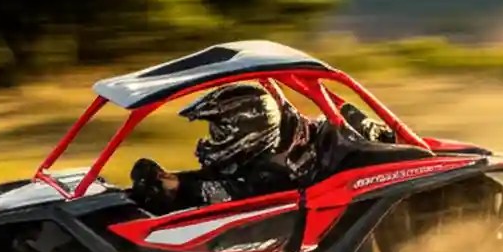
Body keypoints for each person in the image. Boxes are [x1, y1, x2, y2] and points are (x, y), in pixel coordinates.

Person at [130, 82, 400, 213]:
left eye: (220, 130)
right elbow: (224, 177)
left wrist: (179, 187)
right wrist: (171, 179)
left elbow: (235, 193)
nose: (213, 138)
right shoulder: (277, 141)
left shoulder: (279, 166)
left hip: (332, 217)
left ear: (248, 129)